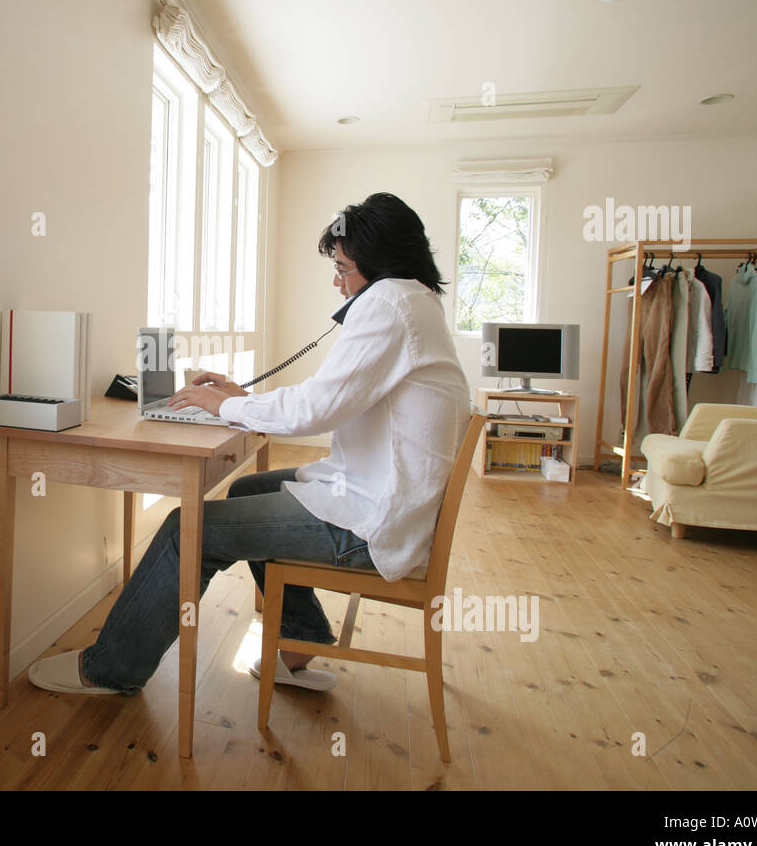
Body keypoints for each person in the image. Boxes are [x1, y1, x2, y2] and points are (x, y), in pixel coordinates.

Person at [29, 192, 471, 695]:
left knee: (185, 529)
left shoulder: (389, 303)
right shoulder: (415, 301)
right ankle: (302, 639)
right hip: (385, 497)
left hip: (373, 522)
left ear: (379, 264)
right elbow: (327, 398)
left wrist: (222, 406)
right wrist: (242, 398)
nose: (336, 280)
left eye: (343, 268)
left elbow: (315, 410)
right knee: (247, 491)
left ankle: (109, 669)